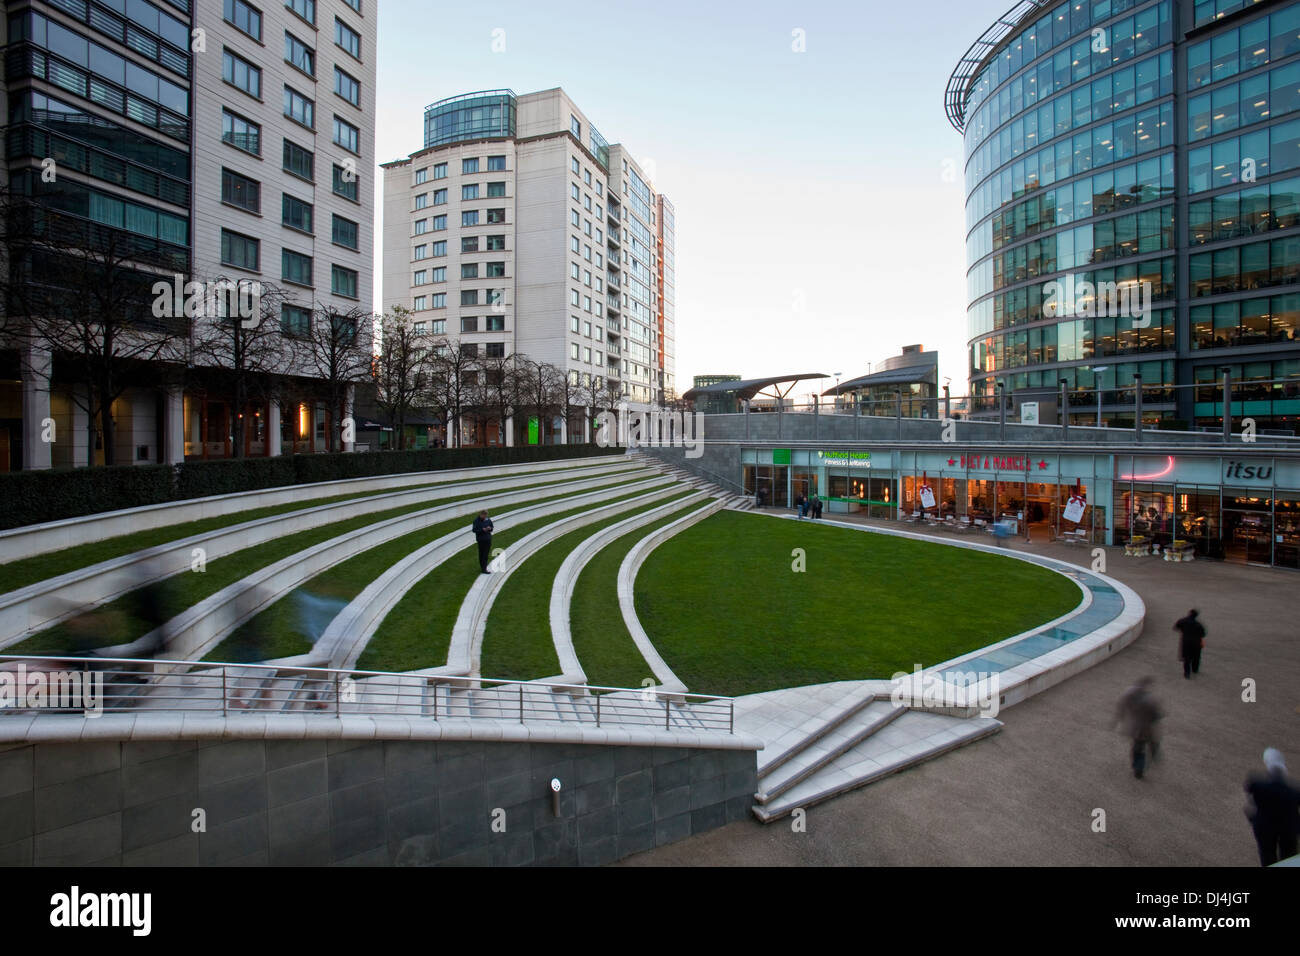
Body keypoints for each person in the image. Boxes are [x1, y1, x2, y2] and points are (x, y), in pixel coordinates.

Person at [1244, 748, 1300, 866]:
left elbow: (1251, 797)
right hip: (1288, 829)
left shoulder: (1257, 785)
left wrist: (1252, 818)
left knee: (1267, 856)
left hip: (1264, 828)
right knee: (1288, 857)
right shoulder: (1295, 792)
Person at [1115, 677, 1162, 779]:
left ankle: (1138, 767)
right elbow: (1156, 716)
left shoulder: (1129, 694)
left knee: (1137, 748)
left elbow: (1121, 706)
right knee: (1143, 746)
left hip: (1135, 728)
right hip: (1146, 729)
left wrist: (1119, 719)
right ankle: (1142, 765)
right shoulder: (1150, 700)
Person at [1173, 609, 1206, 679]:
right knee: (1196, 657)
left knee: (1187, 658)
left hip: (1186, 642)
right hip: (1196, 642)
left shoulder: (1183, 621)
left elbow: (1176, 627)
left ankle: (1187, 673)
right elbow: (1203, 634)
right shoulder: (1198, 625)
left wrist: (1183, 630)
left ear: (1189, 613)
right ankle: (1195, 669)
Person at [472, 509, 494, 574]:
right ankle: (483, 568)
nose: (485, 517)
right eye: (484, 515)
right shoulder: (476, 521)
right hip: (481, 540)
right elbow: (474, 530)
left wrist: (490, 528)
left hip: (488, 539)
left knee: (485, 554)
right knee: (482, 554)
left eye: (486, 515)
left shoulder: (488, 520)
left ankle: (484, 568)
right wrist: (482, 530)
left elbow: (492, 527)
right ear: (481, 514)